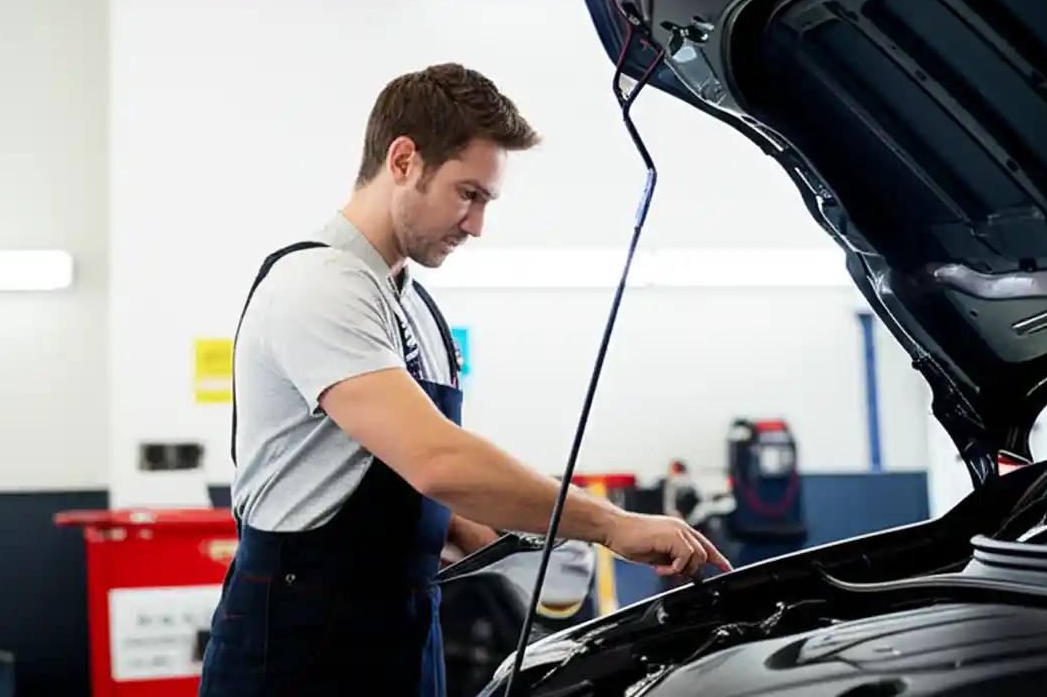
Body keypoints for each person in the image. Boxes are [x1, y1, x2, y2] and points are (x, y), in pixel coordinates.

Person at [197, 63, 731, 697]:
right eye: (467, 194)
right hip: (296, 645)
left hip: (402, 628)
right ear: (403, 161)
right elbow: (437, 460)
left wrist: (509, 546)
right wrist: (611, 523)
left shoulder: (416, 308)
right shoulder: (320, 287)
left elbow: (403, 487)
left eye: (485, 202)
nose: (476, 225)